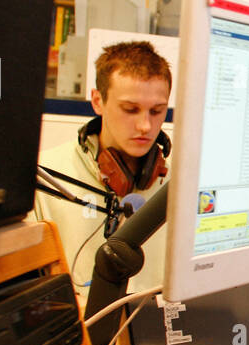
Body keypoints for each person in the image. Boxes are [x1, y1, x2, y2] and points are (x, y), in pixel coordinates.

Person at [35, 40, 173, 297]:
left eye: (157, 111)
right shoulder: (45, 179)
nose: (145, 125)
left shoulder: (183, 183)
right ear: (97, 101)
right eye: (130, 109)